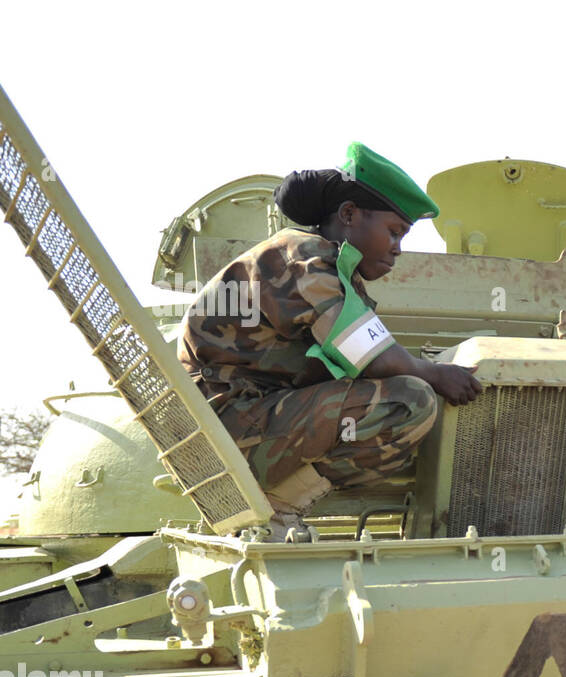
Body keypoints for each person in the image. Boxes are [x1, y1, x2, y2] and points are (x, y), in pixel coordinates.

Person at [178, 142, 482, 540]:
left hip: (239, 422)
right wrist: (437, 373)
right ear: (350, 214)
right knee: (409, 401)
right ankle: (276, 509)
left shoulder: (329, 269)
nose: (398, 249)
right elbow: (372, 356)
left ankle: (276, 503)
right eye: (393, 232)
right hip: (226, 429)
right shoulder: (302, 259)